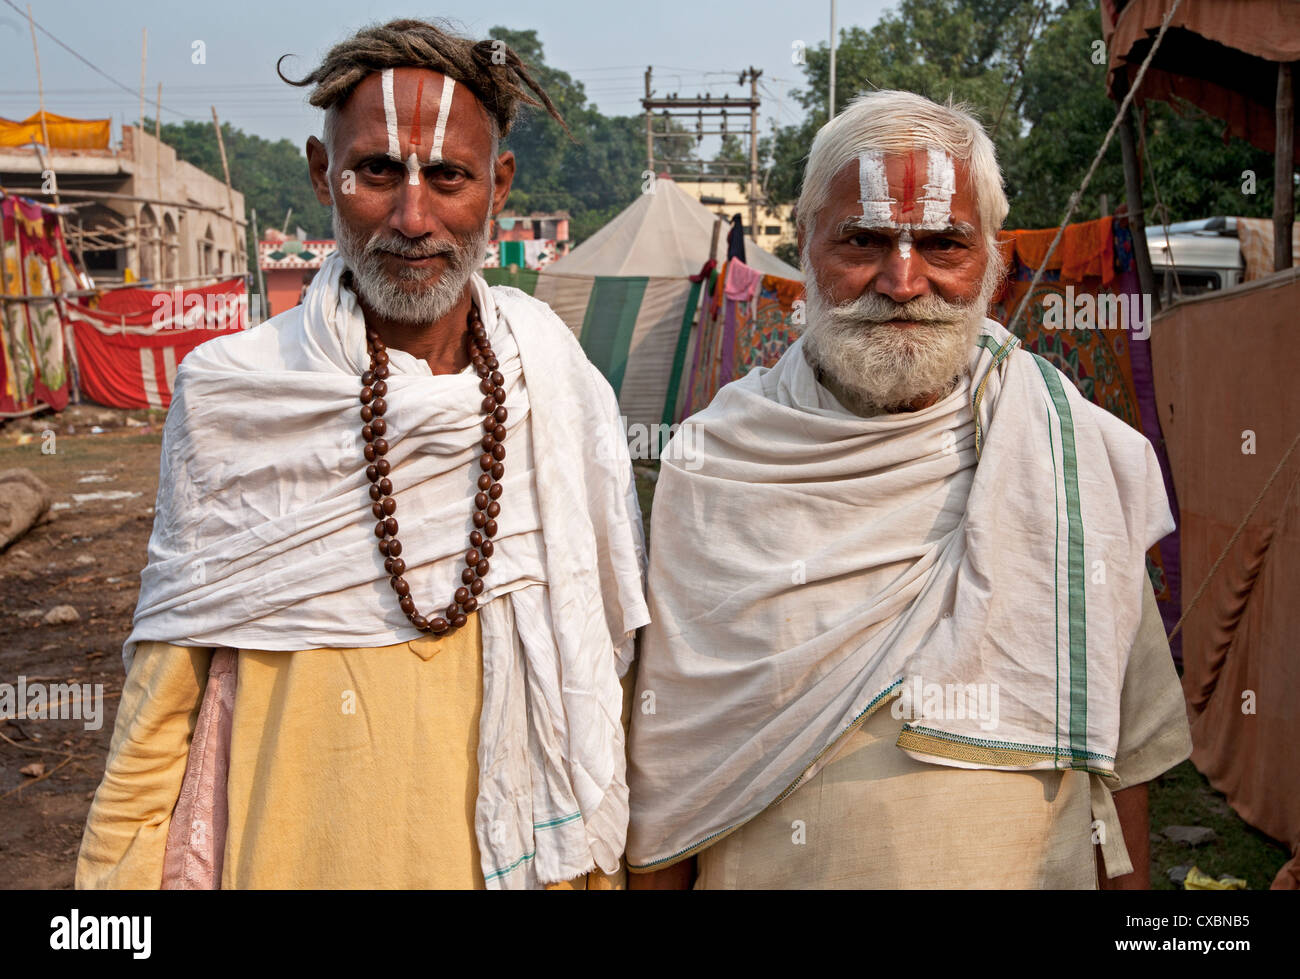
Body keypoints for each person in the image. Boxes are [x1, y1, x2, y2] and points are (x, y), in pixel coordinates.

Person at [77, 19, 648, 890]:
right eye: (377, 171)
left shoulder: (560, 389)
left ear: (498, 187)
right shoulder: (237, 391)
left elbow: (607, 664)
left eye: (448, 177)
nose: (413, 218)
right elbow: (163, 698)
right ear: (322, 175)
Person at [626, 90, 1190, 890]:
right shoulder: (716, 464)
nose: (901, 278)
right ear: (806, 244)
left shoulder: (1068, 450)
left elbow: (1122, 760)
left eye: (942, 244)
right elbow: (672, 776)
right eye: (863, 240)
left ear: (991, 262)